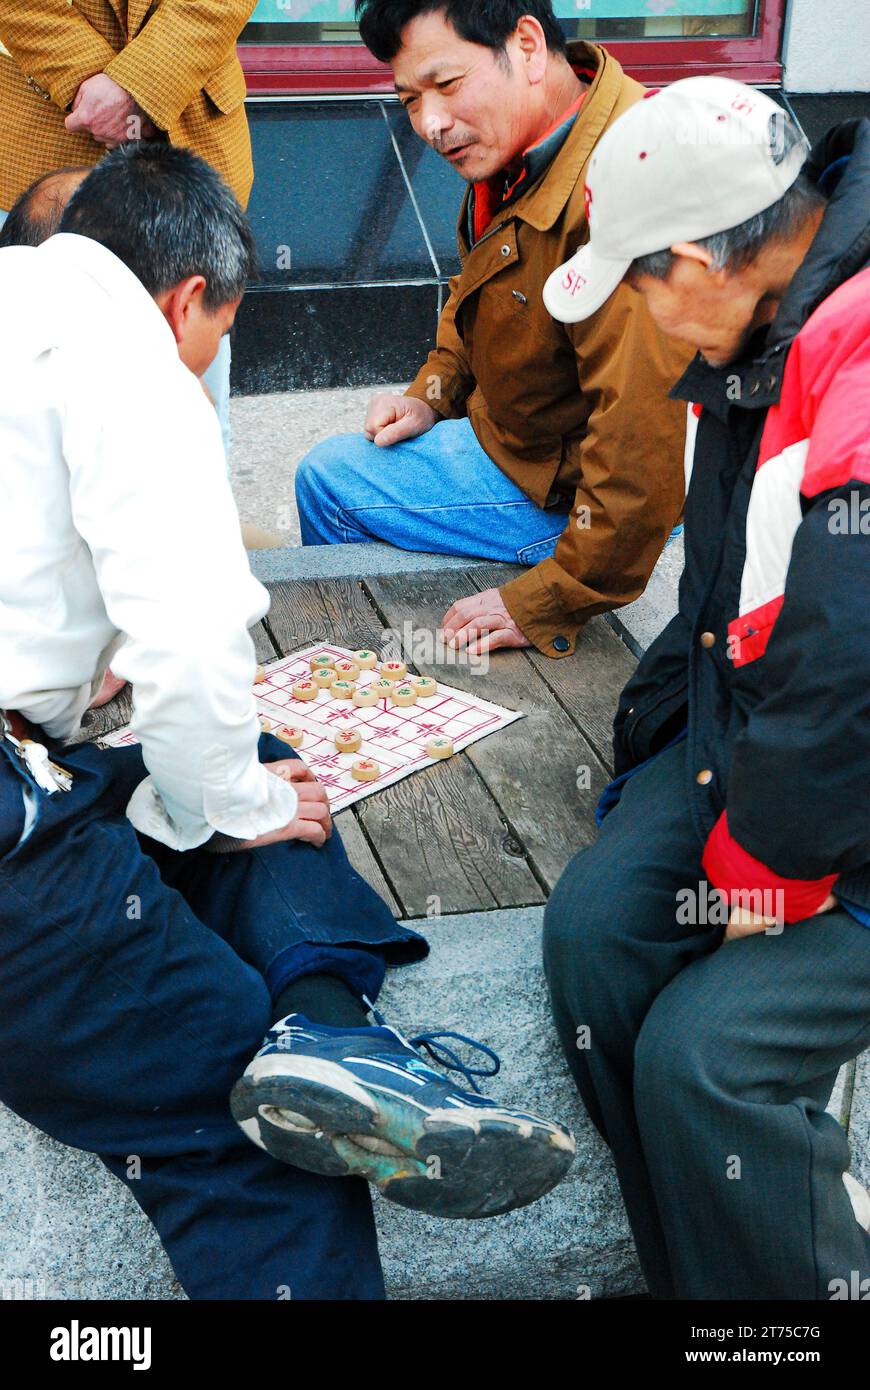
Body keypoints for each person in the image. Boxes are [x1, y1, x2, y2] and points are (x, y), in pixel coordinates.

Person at [0, 142, 574, 1303]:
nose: (208, 362)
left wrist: (216, 786)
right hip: (17, 834)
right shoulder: (136, 360)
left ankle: (327, 1025)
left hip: (34, 751)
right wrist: (225, 806)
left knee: (258, 766)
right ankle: (309, 1050)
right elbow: (191, 629)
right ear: (187, 297)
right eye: (221, 337)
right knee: (255, 1131)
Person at [542, 78, 870, 1299]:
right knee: (596, 932)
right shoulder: (762, 326)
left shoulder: (852, 348)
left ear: (692, 261)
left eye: (637, 286)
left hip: (837, 798)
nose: (643, 316)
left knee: (704, 1059)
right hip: (769, 757)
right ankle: (704, 1277)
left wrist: (759, 875)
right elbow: (727, 601)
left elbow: (849, 665)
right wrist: (655, 762)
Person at [295, 1, 692, 661]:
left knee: (329, 482)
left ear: (529, 45)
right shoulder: (530, 139)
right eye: (409, 99)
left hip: (568, 495)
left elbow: (644, 452)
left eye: (446, 86)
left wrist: (547, 600)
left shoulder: (626, 186)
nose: (430, 123)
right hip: (520, 443)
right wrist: (431, 393)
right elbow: (478, 291)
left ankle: (357, 673)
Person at [0, 1, 257, 456]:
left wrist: (142, 82)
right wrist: (92, 87)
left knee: (190, 418)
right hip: (39, 146)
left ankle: (193, 524)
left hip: (187, 125)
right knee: (29, 410)